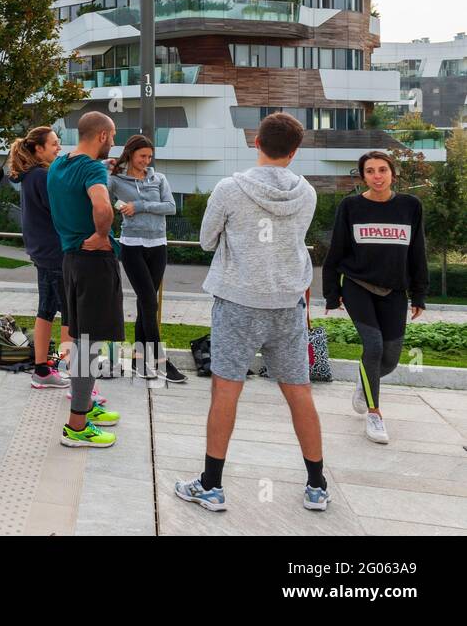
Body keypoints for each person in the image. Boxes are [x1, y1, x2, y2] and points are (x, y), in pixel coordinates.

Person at [175, 112, 327, 513]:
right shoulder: (307, 193)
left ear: (256, 142)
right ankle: (316, 484)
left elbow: (207, 241)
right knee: (299, 392)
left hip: (239, 301)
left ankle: (211, 485)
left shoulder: (229, 189)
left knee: (226, 390)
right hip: (286, 304)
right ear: (293, 153)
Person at [323, 150, 428, 444]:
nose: (377, 176)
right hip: (358, 286)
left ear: (393, 173)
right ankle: (374, 414)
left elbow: (417, 251)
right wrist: (332, 294)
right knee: (373, 346)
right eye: (370, 171)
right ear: (363, 176)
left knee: (391, 359)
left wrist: (419, 293)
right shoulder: (351, 206)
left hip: (395, 291)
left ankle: (364, 381)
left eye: (382, 169)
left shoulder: (410, 206)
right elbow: (336, 251)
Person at [46, 111, 123, 449]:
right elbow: (103, 207)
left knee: (81, 338)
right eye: (114, 135)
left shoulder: (58, 165)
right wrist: (101, 234)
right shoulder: (92, 168)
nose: (114, 142)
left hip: (71, 260)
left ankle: (86, 406)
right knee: (88, 345)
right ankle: (77, 425)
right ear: (103, 135)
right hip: (93, 260)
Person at [109, 135, 185, 384]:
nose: (146, 160)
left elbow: (171, 207)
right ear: (130, 154)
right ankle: (162, 361)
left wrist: (139, 205)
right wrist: (105, 166)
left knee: (146, 303)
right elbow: (99, 192)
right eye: (142, 156)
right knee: (149, 302)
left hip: (158, 245)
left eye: (149, 156)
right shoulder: (116, 180)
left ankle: (139, 361)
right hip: (132, 246)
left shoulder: (158, 178)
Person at [8, 126, 70, 389]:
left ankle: (43, 369)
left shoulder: (31, 176)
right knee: (70, 312)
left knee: (46, 309)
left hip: (43, 251)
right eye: (54, 144)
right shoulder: (43, 177)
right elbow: (62, 211)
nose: (59, 148)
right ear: (38, 149)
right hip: (54, 252)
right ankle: (67, 369)